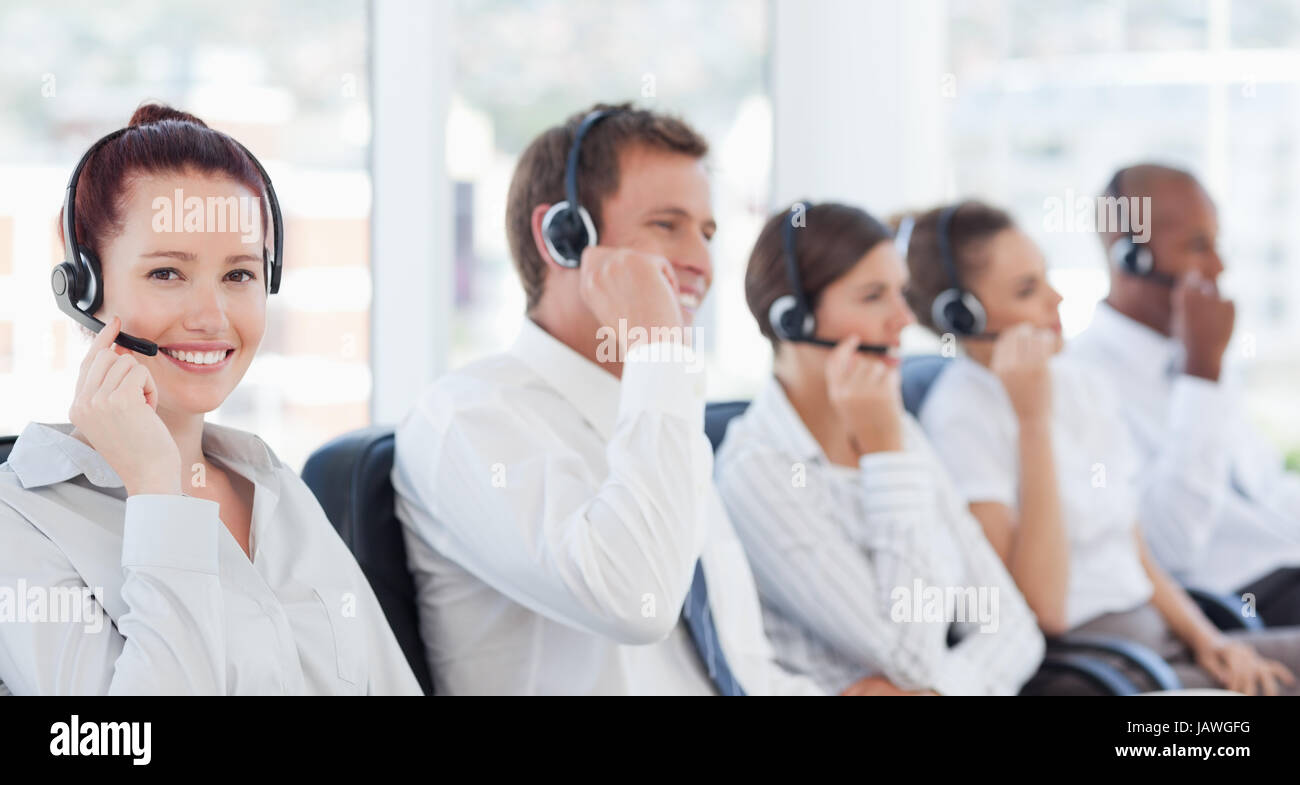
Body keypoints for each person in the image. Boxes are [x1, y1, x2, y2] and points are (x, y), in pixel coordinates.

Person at [391, 103, 824, 695]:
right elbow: (638, 601)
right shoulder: (468, 418)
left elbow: (740, 670)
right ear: (563, 236)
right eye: (668, 225)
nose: (700, 263)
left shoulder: (659, 416)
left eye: (706, 232)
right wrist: (659, 350)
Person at [0, 104, 421, 696]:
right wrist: (156, 490)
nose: (211, 317)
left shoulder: (276, 488)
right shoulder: (20, 524)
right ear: (83, 289)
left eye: (240, 275)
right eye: (168, 273)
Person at [909, 199, 1300, 694]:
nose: (1056, 299)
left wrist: (1211, 642)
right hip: (1091, 666)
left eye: (1046, 276)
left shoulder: (1079, 385)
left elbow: (1133, 549)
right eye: (1028, 290)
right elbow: (1040, 609)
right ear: (962, 316)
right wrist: (1032, 423)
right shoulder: (961, 416)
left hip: (1160, 639)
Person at [713, 201, 1044, 696]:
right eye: (873, 297)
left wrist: (941, 691)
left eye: (901, 294)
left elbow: (1016, 629)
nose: (903, 320)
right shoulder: (758, 471)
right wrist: (885, 456)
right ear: (793, 319)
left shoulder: (899, 428)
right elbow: (910, 655)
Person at [1070, 164, 1300, 625]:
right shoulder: (1082, 381)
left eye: (1217, 244)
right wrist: (1202, 373)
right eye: (1199, 246)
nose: (1219, 267)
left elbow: (1264, 490)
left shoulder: (1193, 349)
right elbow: (1168, 547)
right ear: (1130, 258)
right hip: (1234, 600)